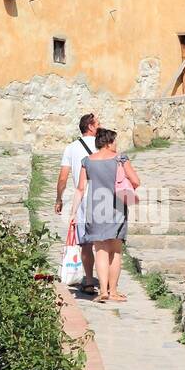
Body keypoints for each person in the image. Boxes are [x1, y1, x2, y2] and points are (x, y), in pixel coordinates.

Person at [68, 128, 140, 303]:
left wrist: (73, 212)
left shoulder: (87, 161)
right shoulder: (120, 159)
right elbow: (136, 181)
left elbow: (80, 189)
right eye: (114, 142)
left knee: (100, 250)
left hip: (95, 210)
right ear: (108, 142)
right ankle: (113, 291)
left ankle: (102, 291)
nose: (116, 145)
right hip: (116, 208)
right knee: (115, 251)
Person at [55, 112, 99, 293]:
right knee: (104, 243)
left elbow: (63, 178)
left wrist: (59, 199)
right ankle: (107, 285)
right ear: (90, 126)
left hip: (82, 198)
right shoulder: (102, 145)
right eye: (97, 124)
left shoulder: (71, 148)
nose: (99, 127)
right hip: (103, 197)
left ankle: (88, 281)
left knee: (86, 243)